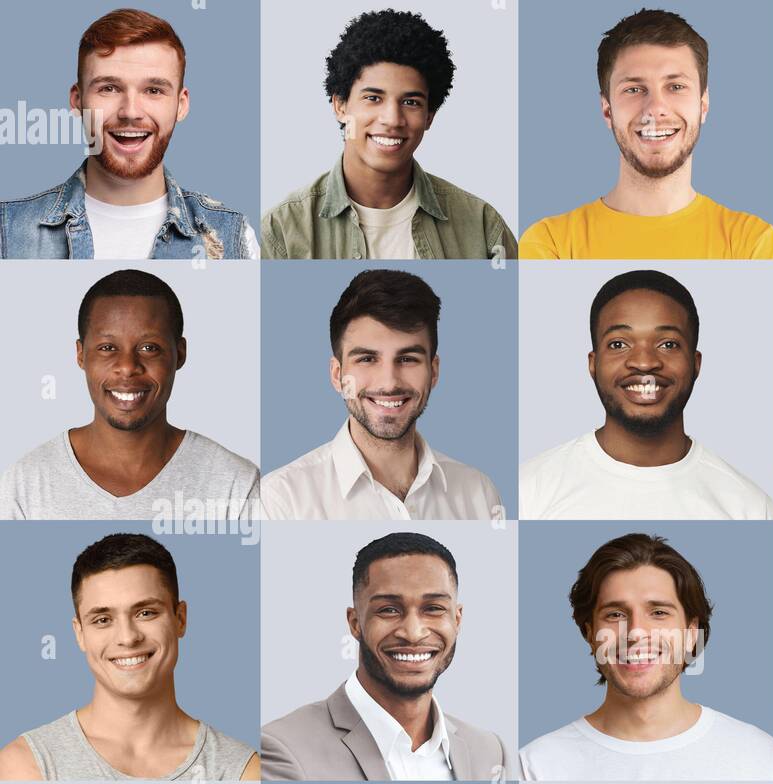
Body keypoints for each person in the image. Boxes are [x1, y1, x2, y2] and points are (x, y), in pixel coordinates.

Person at [0, 271, 259, 521]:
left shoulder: (235, 485)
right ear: (81, 354)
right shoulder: (25, 484)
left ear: (179, 354)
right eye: (107, 348)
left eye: (149, 348)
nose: (127, 366)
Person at [0, 7, 257, 259]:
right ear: (77, 101)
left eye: (154, 90)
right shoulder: (7, 233)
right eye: (109, 88)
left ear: (181, 105)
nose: (131, 112)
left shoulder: (234, 237)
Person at [0, 532, 258, 781]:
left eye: (145, 613)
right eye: (102, 620)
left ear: (180, 619)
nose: (128, 637)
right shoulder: (26, 767)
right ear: (79, 633)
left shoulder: (242, 772)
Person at [519, 533, 773, 780]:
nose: (635, 633)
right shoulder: (536, 767)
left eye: (658, 613)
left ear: (691, 633)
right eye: (615, 614)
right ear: (590, 632)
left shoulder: (763, 759)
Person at [520, 9, 773, 259]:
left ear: (703, 105)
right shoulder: (551, 244)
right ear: (607, 110)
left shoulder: (751, 243)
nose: (655, 109)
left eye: (676, 86)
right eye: (633, 89)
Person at [521, 269, 773, 520]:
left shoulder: (749, 508)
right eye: (618, 344)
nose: (644, 363)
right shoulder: (529, 490)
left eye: (668, 344)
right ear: (593, 363)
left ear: (695, 363)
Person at [261, 9, 516, 259]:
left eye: (411, 102)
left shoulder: (483, 227)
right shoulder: (282, 231)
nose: (392, 119)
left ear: (429, 116)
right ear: (340, 105)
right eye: (373, 98)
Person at [260, 533, 511, 781]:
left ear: (457, 620)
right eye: (389, 610)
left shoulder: (491, 752)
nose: (413, 633)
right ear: (355, 623)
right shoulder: (283, 749)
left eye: (433, 609)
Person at [261, 270, 502, 520]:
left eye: (408, 359)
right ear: (336, 374)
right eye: (367, 359)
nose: (389, 383)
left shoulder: (480, 495)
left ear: (434, 371)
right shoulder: (282, 500)